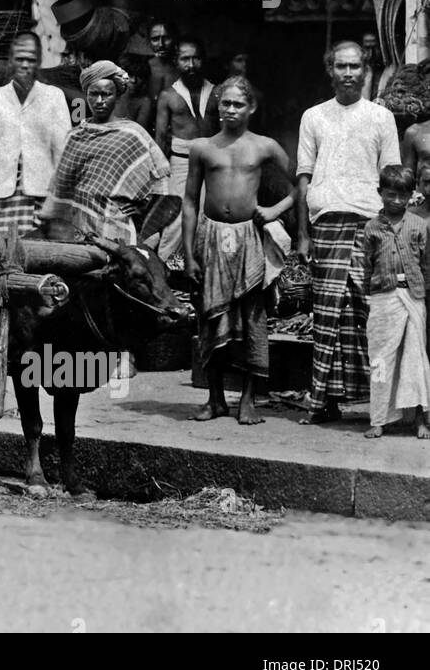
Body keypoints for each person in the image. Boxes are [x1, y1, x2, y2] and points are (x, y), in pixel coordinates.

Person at [296, 41, 401, 425]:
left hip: (369, 225)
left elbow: (392, 177)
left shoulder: (380, 117)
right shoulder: (314, 117)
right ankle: (323, 400)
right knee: (327, 315)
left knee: (370, 313)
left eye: (355, 66)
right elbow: (303, 177)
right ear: (330, 70)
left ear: (364, 69)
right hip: (326, 224)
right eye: (341, 66)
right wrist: (303, 234)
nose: (348, 73)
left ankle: (381, 404)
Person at [183, 76, 293, 426]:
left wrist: (275, 211)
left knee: (251, 317)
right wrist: (188, 254)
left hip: (249, 238)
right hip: (211, 237)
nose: (230, 110)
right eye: (225, 103)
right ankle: (215, 398)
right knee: (210, 317)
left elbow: (300, 185)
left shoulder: (264, 147)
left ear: (252, 108)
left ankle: (248, 399)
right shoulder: (202, 147)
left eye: (237, 104)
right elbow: (188, 201)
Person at [39, 59, 171, 245]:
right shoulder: (75, 136)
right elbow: (61, 186)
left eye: (106, 94)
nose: (99, 101)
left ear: (116, 96)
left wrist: (141, 208)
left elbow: (161, 179)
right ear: (86, 94)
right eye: (94, 94)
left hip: (115, 226)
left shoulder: (132, 134)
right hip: (78, 228)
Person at [0, 33, 72, 239]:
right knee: (6, 255)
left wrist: (58, 199)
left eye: (31, 59)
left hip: (42, 195)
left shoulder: (53, 97)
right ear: (10, 60)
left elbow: (63, 152)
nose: (25, 65)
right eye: (20, 59)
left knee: (40, 255)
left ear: (39, 62)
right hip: (3, 196)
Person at [358, 165, 430, 440]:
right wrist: (369, 296)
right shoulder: (372, 227)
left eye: (403, 195)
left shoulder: (418, 225)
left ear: (411, 195)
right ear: (380, 193)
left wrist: (420, 291)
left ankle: (419, 420)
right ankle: (378, 418)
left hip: (413, 296)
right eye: (391, 195)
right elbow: (366, 265)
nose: (397, 201)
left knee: (415, 358)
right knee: (380, 359)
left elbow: (424, 264)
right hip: (383, 297)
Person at [155, 37, 219, 261]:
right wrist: (160, 176)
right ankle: (164, 265)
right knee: (175, 217)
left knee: (208, 213)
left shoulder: (217, 93)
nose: (191, 65)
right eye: (185, 59)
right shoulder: (167, 96)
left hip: (212, 163)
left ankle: (202, 263)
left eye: (196, 58)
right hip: (180, 162)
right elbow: (161, 137)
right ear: (176, 61)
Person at [113, 53, 154, 131]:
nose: (134, 80)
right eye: (130, 75)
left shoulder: (144, 101)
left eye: (139, 76)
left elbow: (139, 133)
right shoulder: (109, 93)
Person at [146, 20, 180, 106]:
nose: (161, 44)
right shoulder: (143, 68)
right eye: (155, 39)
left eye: (166, 38)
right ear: (149, 42)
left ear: (175, 39)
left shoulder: (183, 68)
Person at [360, 31, 384, 102]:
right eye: (367, 48)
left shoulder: (386, 70)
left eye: (373, 48)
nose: (371, 52)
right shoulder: (356, 70)